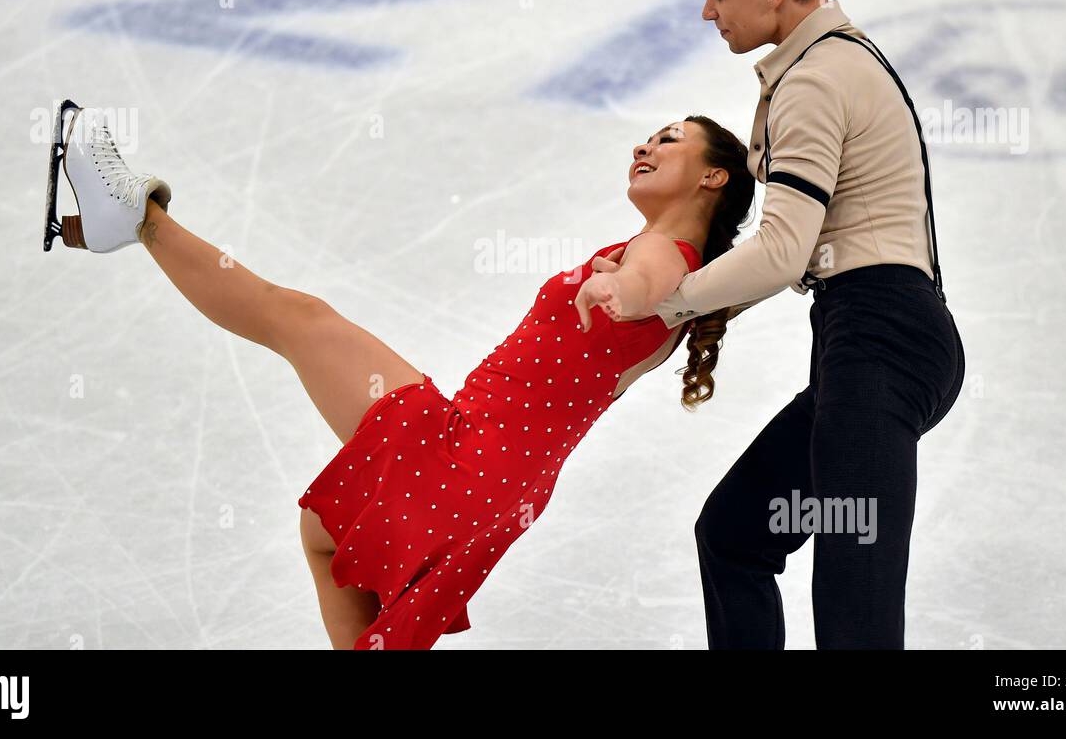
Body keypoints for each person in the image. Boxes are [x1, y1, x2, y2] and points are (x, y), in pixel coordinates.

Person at [42, 102, 756, 649]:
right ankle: (130, 220)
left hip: (474, 455)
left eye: (669, 140)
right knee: (323, 526)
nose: (644, 144)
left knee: (295, 320)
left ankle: (133, 215)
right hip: (490, 463)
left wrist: (619, 293)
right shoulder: (660, 254)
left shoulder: (667, 259)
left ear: (713, 175)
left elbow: (642, 285)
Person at [607, 0, 966, 649]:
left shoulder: (814, 80)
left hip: (882, 340)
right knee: (736, 532)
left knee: (854, 606)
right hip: (860, 343)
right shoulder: (821, 64)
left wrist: (662, 304)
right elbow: (789, 253)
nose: (708, 12)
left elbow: (780, 252)